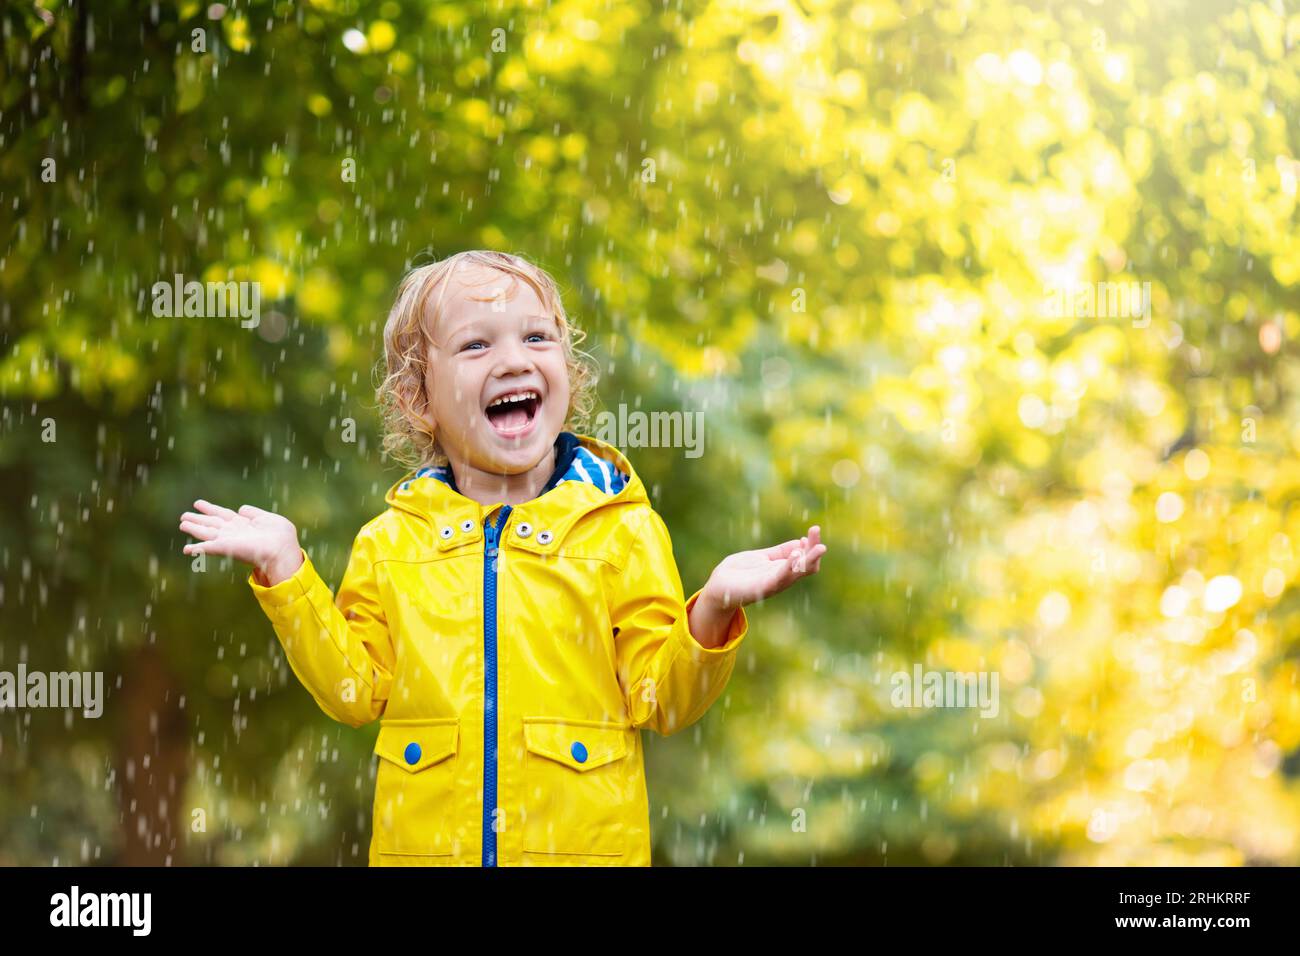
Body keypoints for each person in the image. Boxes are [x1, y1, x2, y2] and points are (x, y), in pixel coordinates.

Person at [177, 250, 826, 866]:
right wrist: (288, 573)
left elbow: (664, 702)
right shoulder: (390, 542)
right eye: (476, 344)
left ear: (568, 374)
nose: (514, 360)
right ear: (418, 398)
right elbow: (354, 692)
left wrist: (711, 608)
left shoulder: (621, 530)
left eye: (537, 339)